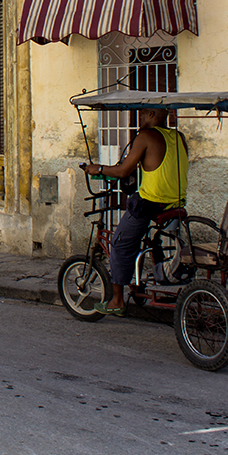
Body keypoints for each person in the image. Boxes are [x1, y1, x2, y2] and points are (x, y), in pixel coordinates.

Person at [79, 107, 188, 316]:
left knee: (119, 244)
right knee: (137, 236)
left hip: (152, 203)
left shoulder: (146, 136)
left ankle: (117, 301)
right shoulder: (178, 137)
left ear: (151, 115)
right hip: (175, 204)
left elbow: (122, 171)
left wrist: (98, 169)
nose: (139, 118)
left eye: (142, 113)